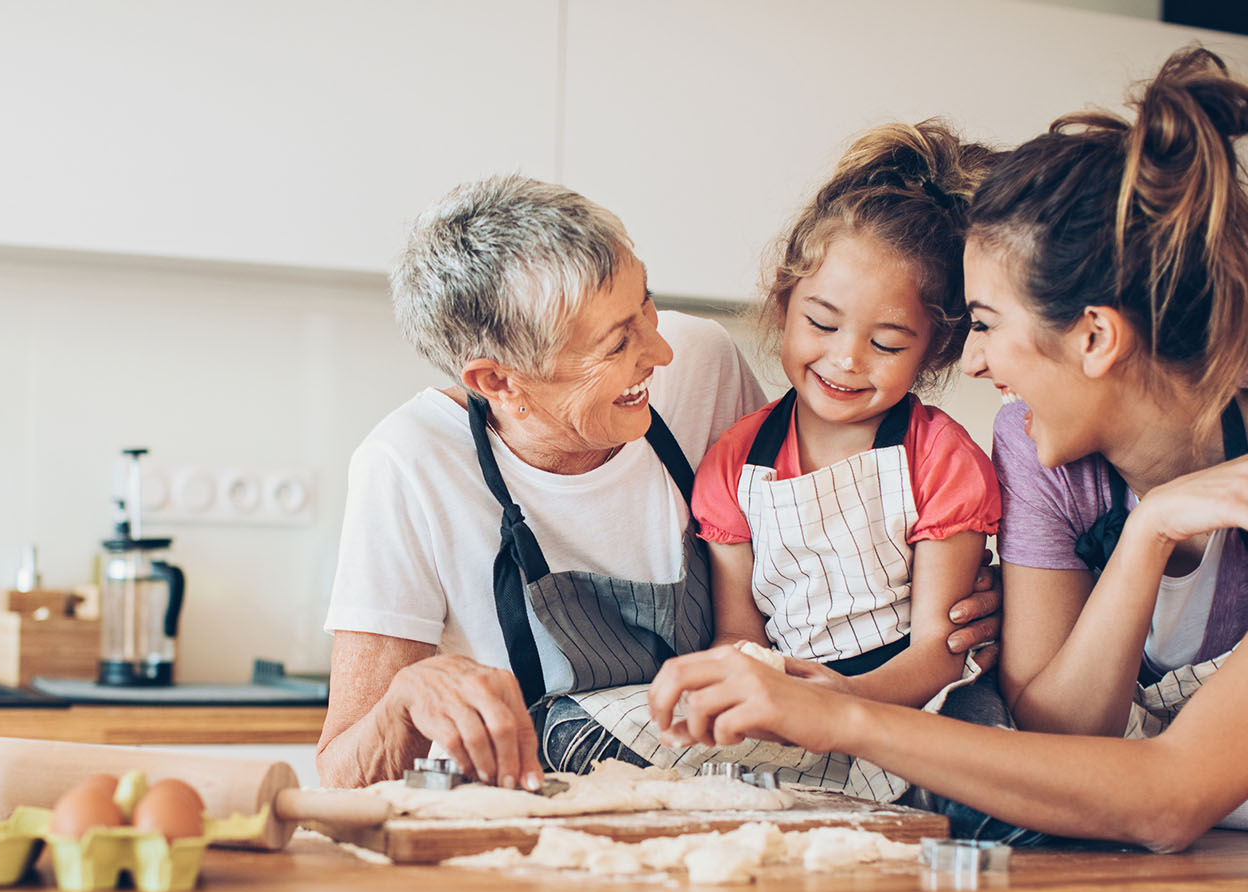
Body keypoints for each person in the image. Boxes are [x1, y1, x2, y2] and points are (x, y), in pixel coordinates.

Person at [648, 48, 1248, 851]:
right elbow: (1060, 728)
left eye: (983, 323)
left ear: (1093, 336)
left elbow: (1170, 797)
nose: (970, 362)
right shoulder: (1037, 442)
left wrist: (841, 714)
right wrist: (1148, 536)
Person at [315, 175, 1001, 790]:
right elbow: (339, 766)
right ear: (499, 381)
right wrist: (407, 700)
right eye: (618, 343)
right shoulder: (406, 466)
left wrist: (946, 606)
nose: (660, 349)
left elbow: (811, 550)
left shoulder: (700, 365)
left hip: (732, 793)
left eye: (646, 305)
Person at [691, 122, 1000, 778]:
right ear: (784, 299)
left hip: (916, 703)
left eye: (887, 343)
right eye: (822, 323)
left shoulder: (942, 461)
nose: (846, 359)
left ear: (935, 349)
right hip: (787, 697)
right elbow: (736, 635)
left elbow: (940, 652)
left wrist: (847, 701)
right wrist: (753, 695)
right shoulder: (733, 463)